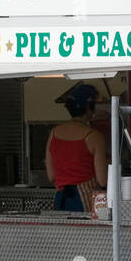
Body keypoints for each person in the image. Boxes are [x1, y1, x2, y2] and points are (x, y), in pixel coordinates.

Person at [44, 83, 108, 212]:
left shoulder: (54, 133)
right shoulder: (94, 136)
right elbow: (102, 180)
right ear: (90, 108)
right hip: (85, 201)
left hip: (61, 200)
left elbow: (51, 176)